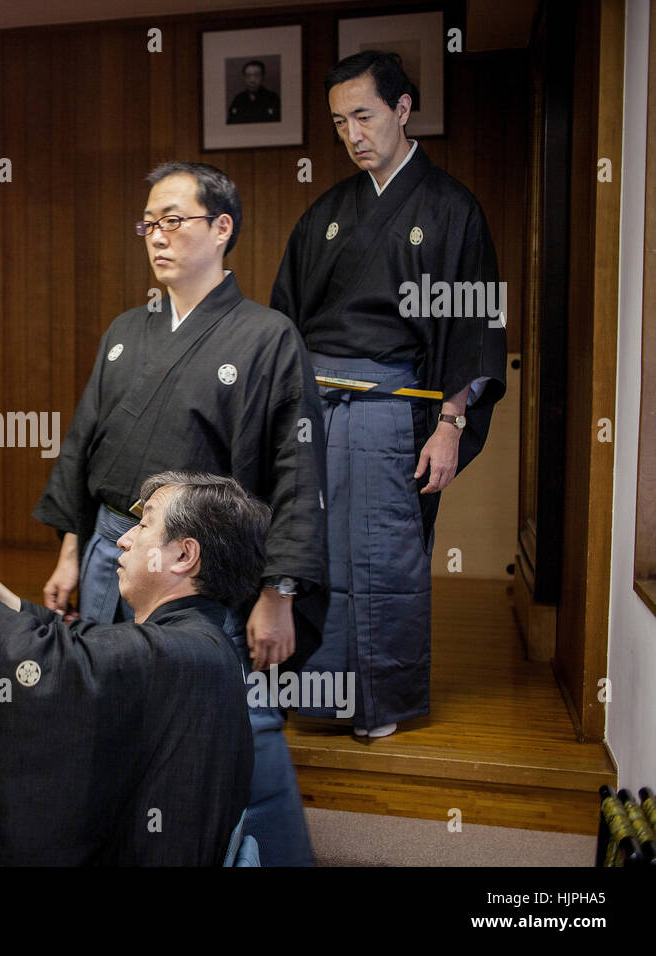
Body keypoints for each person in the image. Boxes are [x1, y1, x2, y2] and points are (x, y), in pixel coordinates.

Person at [34, 161, 327, 865]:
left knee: (233, 717)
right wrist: (71, 549)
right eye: (149, 223)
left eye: (174, 220)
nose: (157, 236)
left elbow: (297, 471)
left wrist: (277, 590)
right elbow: (83, 443)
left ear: (222, 228)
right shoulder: (127, 331)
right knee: (108, 702)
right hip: (116, 542)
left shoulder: (267, 336)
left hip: (208, 560)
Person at [270, 51, 507, 738]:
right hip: (317, 407)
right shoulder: (327, 214)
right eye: (340, 122)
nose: (352, 135)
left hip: (394, 411)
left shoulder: (452, 208)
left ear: (404, 110)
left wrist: (451, 424)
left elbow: (474, 323)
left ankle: (379, 705)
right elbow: (285, 317)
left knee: (384, 561)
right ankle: (319, 696)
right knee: (313, 553)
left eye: (365, 116)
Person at [0, 472, 257, 866]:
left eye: (144, 524)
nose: (123, 537)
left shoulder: (181, 650)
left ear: (184, 555)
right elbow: (84, 642)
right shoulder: (201, 641)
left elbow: (50, 664)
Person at [228, 60, 281, 124]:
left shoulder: (273, 98)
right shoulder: (238, 99)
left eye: (256, 75)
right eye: (248, 76)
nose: (252, 80)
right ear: (244, 78)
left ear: (263, 77)